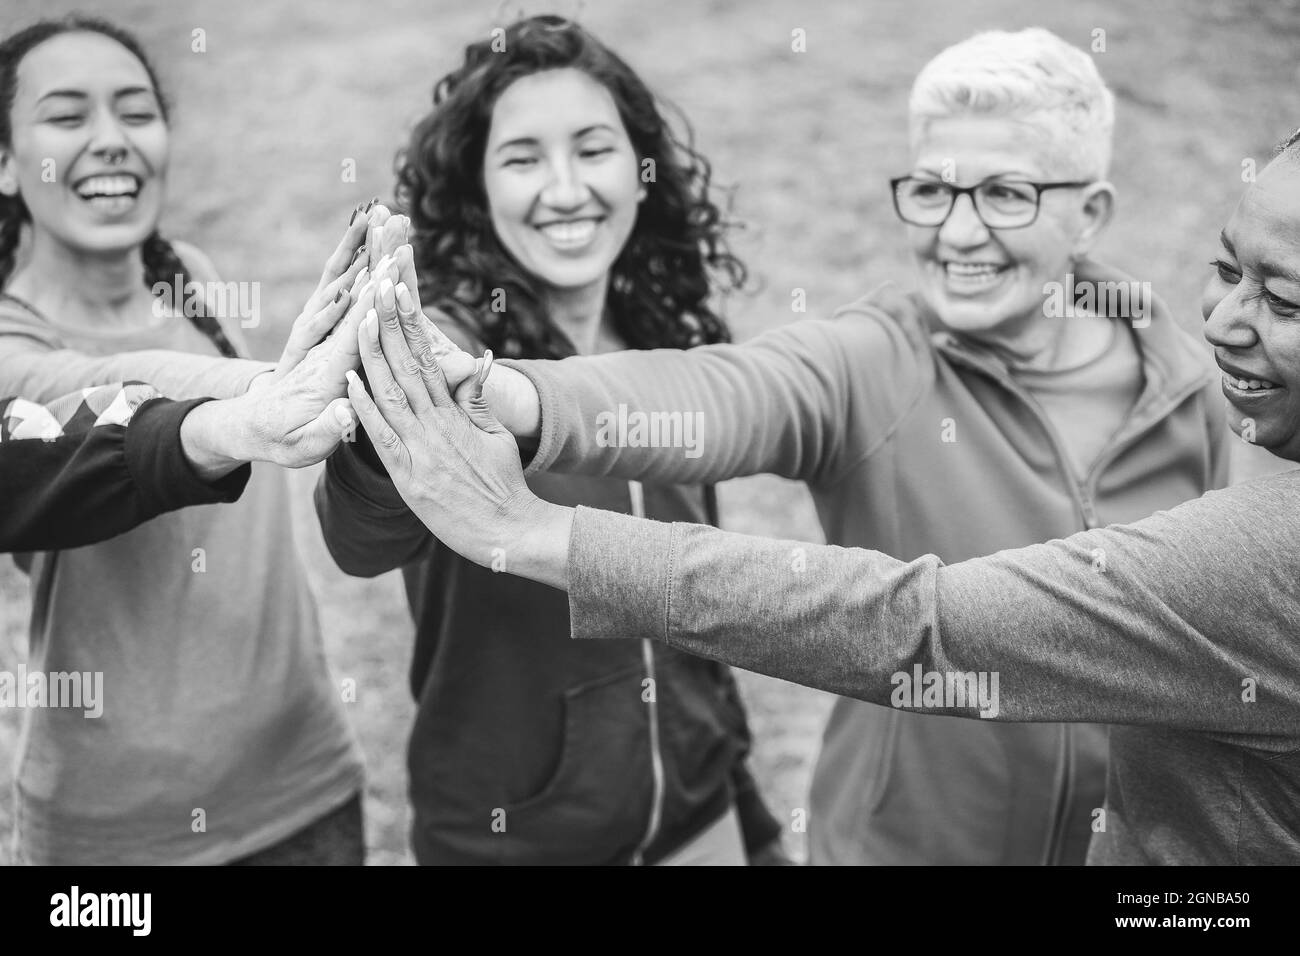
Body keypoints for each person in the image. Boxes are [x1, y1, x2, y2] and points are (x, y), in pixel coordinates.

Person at [350, 27, 1228, 864]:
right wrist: (519, 390)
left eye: (1005, 194)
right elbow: (724, 396)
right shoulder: (871, 362)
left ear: (1091, 213)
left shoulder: (1197, 394)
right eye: (932, 191)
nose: (958, 232)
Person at [315, 15, 785, 866]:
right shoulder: (451, 354)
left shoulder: (669, 345)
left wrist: (744, 813)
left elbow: (693, 614)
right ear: (477, 186)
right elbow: (357, 540)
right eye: (523, 158)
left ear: (642, 173)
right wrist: (383, 423)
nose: (565, 190)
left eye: (594, 149)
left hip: (701, 824)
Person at [0, 15, 391, 864]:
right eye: (67, 117)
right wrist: (260, 392)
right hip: (118, 837)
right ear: (4, 160)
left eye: (136, 112)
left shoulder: (191, 277)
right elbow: (95, 393)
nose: (112, 140)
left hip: (306, 784)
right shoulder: (10, 345)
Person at [1, 319, 361, 552]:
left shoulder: (190, 274)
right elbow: (70, 401)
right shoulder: (12, 325)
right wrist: (252, 399)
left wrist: (269, 387)